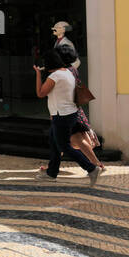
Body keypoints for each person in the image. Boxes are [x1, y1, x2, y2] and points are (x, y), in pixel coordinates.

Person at [34, 50, 98, 185]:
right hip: (70, 113)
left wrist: (38, 74)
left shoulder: (55, 76)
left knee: (64, 146)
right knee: (54, 142)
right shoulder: (67, 72)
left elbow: (40, 93)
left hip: (61, 116)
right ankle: (51, 173)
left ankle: (91, 168)